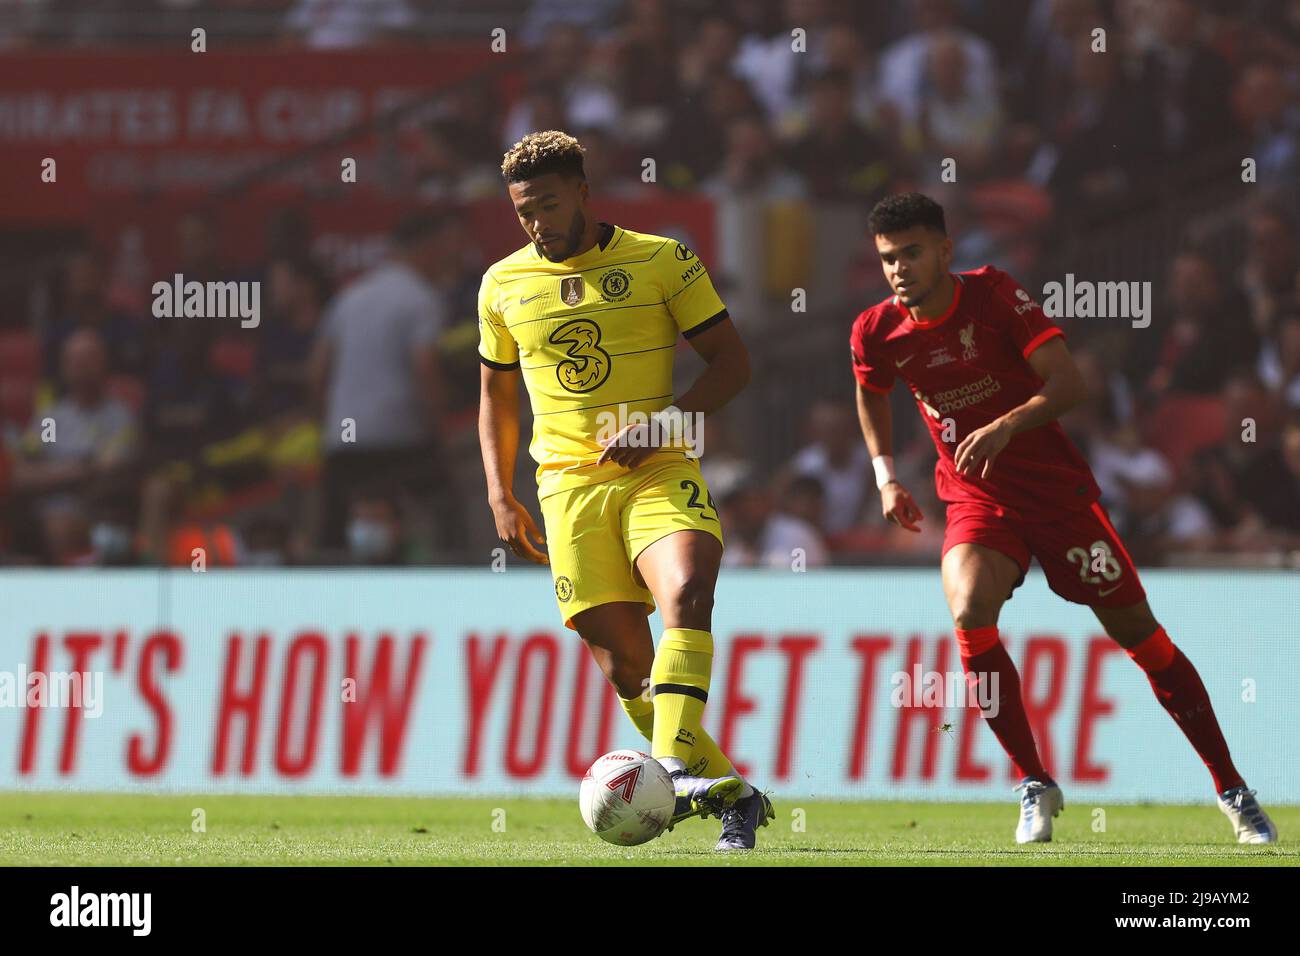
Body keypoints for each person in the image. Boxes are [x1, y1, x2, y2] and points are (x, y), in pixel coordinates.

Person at [849, 192, 1277, 845]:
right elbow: (870, 392)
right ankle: (1032, 781)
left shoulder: (994, 297)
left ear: (944, 249)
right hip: (977, 498)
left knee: (1142, 638)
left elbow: (1070, 384)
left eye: (911, 252)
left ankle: (1231, 788)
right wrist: (885, 476)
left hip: (1055, 495)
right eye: (888, 259)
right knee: (968, 609)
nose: (900, 268)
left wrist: (1005, 424)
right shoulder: (877, 331)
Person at [477, 130, 772, 850]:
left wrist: (664, 424)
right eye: (524, 212)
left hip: (658, 469)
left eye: (548, 204)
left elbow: (732, 365)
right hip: (567, 490)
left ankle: (668, 764)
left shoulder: (662, 259)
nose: (538, 223)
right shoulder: (501, 283)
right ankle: (735, 795)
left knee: (689, 588)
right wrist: (499, 491)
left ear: (583, 189)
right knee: (629, 670)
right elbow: (496, 397)